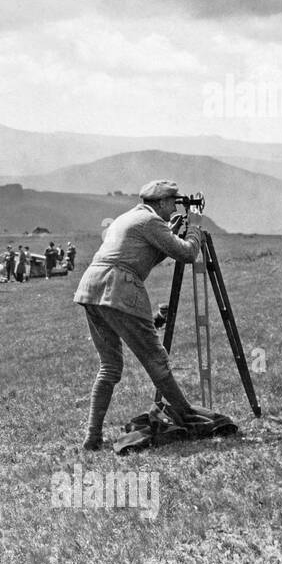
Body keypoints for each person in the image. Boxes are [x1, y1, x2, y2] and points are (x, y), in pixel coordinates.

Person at [73, 180, 203, 451]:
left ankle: (92, 435)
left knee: (109, 365)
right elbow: (186, 254)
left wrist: (169, 233)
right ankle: (189, 417)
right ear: (163, 203)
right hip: (119, 288)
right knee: (157, 361)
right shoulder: (151, 222)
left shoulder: (129, 218)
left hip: (91, 288)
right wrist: (196, 232)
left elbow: (142, 255)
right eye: (173, 203)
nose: (175, 207)